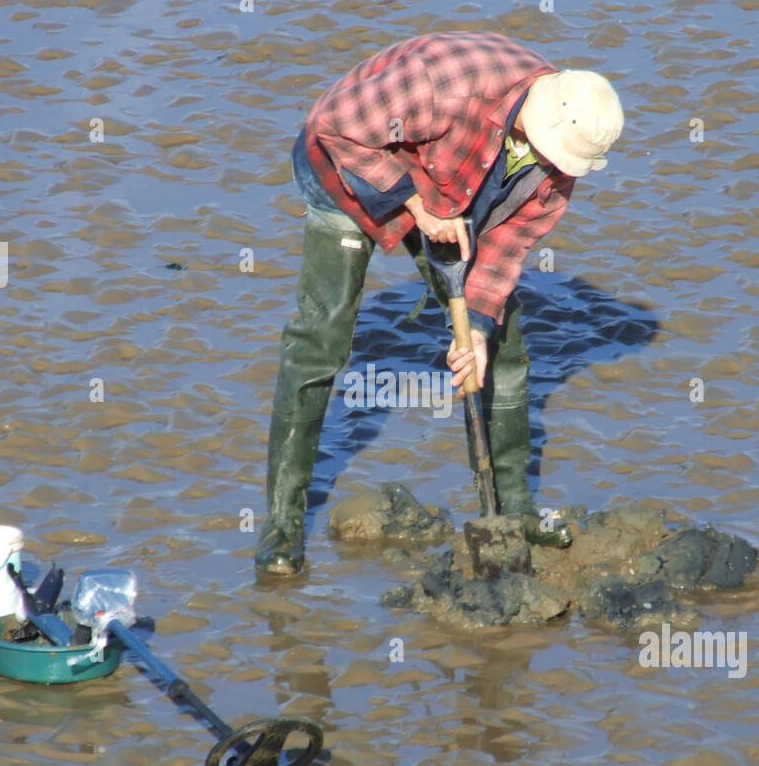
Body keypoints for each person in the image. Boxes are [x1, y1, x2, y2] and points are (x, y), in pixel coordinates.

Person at [255, 29, 624, 576]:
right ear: (537, 117)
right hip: (348, 168)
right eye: (549, 156)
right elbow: (334, 123)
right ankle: (282, 524)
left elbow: (504, 248)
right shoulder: (443, 85)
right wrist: (413, 203)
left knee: (503, 342)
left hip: (450, 191)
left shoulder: (555, 173)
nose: (554, 171)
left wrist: (475, 326)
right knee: (323, 338)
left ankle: (512, 511)